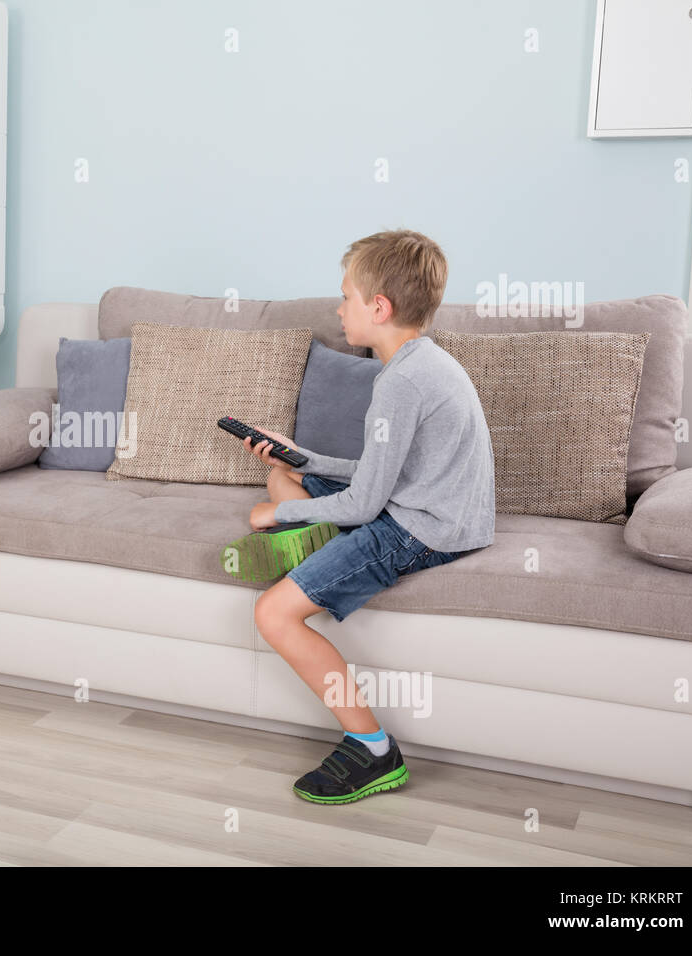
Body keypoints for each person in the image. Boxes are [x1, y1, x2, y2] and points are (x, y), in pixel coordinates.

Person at [228, 230, 495, 805]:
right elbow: (378, 470)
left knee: (273, 613)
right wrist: (299, 456)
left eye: (346, 296)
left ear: (379, 307)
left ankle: (373, 749)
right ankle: (305, 527)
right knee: (293, 474)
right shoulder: (422, 363)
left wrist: (277, 512)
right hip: (432, 504)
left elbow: (368, 505)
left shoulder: (399, 383)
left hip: (422, 529)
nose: (339, 308)